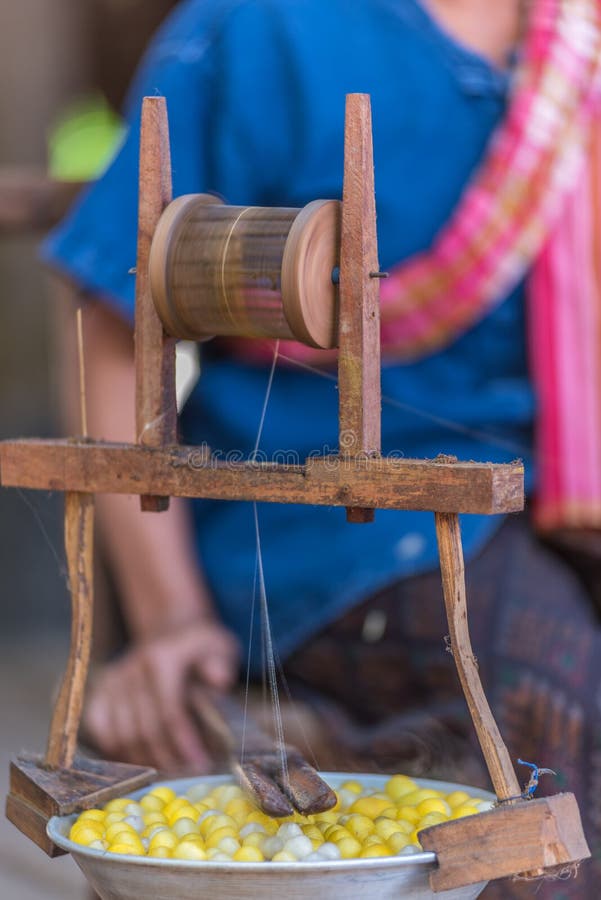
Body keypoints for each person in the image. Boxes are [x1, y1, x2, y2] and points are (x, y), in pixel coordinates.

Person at [44, 0, 601, 895]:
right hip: (331, 523)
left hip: (563, 485)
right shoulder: (261, 29)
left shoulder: (577, 45)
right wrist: (169, 620)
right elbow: (116, 326)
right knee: (550, 690)